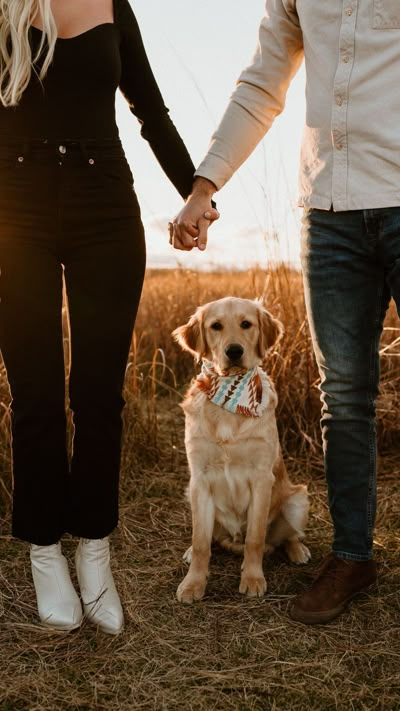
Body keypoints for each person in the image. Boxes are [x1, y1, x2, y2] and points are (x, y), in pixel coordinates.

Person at [170, 1, 400, 656]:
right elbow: (265, 76)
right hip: (331, 209)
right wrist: (205, 183)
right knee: (344, 397)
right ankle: (351, 554)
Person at [0, 0, 217, 634]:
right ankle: (44, 552)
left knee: (98, 395)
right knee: (35, 393)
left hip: (106, 211)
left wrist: (197, 193)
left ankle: (94, 551)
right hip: (15, 215)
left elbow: (151, 111)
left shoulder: (114, 4)